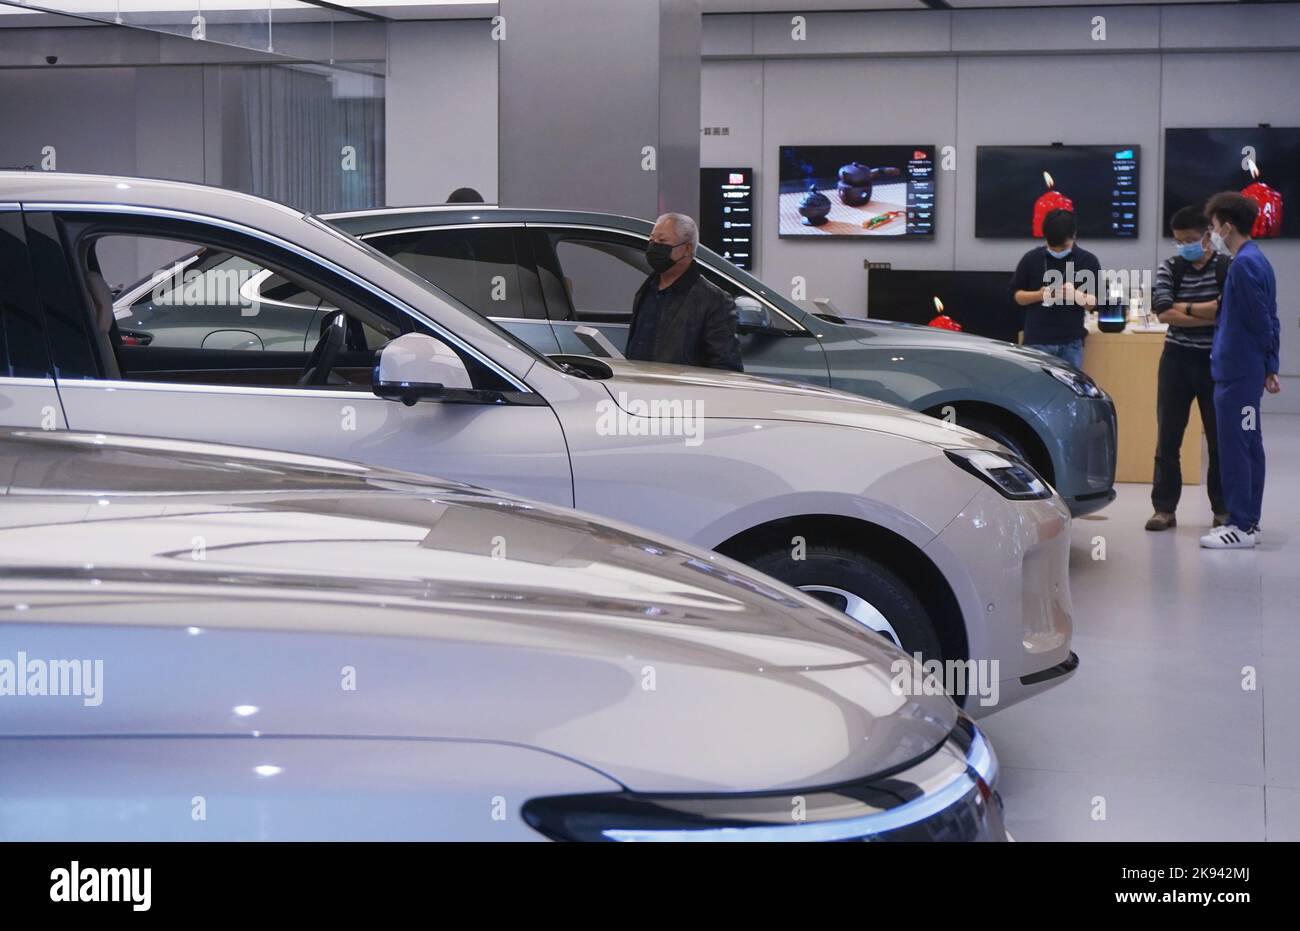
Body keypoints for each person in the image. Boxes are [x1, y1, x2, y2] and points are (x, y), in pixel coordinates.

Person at [1199, 192, 1282, 549]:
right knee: (1245, 443)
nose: (1212, 233)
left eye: (1214, 226)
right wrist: (1270, 364)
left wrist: (1267, 363)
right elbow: (1268, 318)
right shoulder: (1253, 260)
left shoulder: (1246, 265)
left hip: (1239, 373)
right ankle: (1244, 520)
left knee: (1238, 446)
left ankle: (1243, 525)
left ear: (1227, 226)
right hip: (1240, 370)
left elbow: (1262, 320)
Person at [1145, 205, 1231, 532]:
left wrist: (1186, 308)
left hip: (1214, 363)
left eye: (1191, 240)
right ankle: (1164, 509)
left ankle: (1222, 510)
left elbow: (1226, 312)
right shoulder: (1171, 267)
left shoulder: (1227, 268)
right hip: (1176, 361)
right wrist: (1205, 311)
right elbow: (1163, 312)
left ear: (1208, 235)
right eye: (1180, 241)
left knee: (1219, 439)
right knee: (1168, 437)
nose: (1185, 246)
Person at [625, 213, 742, 371]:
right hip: (640, 389)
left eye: (662, 241)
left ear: (687, 248)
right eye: (651, 240)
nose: (653, 247)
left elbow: (725, 367)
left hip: (682, 393)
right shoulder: (647, 290)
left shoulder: (714, 300)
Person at [1009, 208, 1101, 369]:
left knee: (1069, 392)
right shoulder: (1031, 258)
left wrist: (1075, 295)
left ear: (1074, 235)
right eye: (1053, 246)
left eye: (1063, 246)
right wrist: (1039, 295)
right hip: (1036, 341)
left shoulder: (1087, 260)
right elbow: (1017, 295)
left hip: (1071, 343)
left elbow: (1093, 302)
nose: (1058, 251)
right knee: (1035, 390)